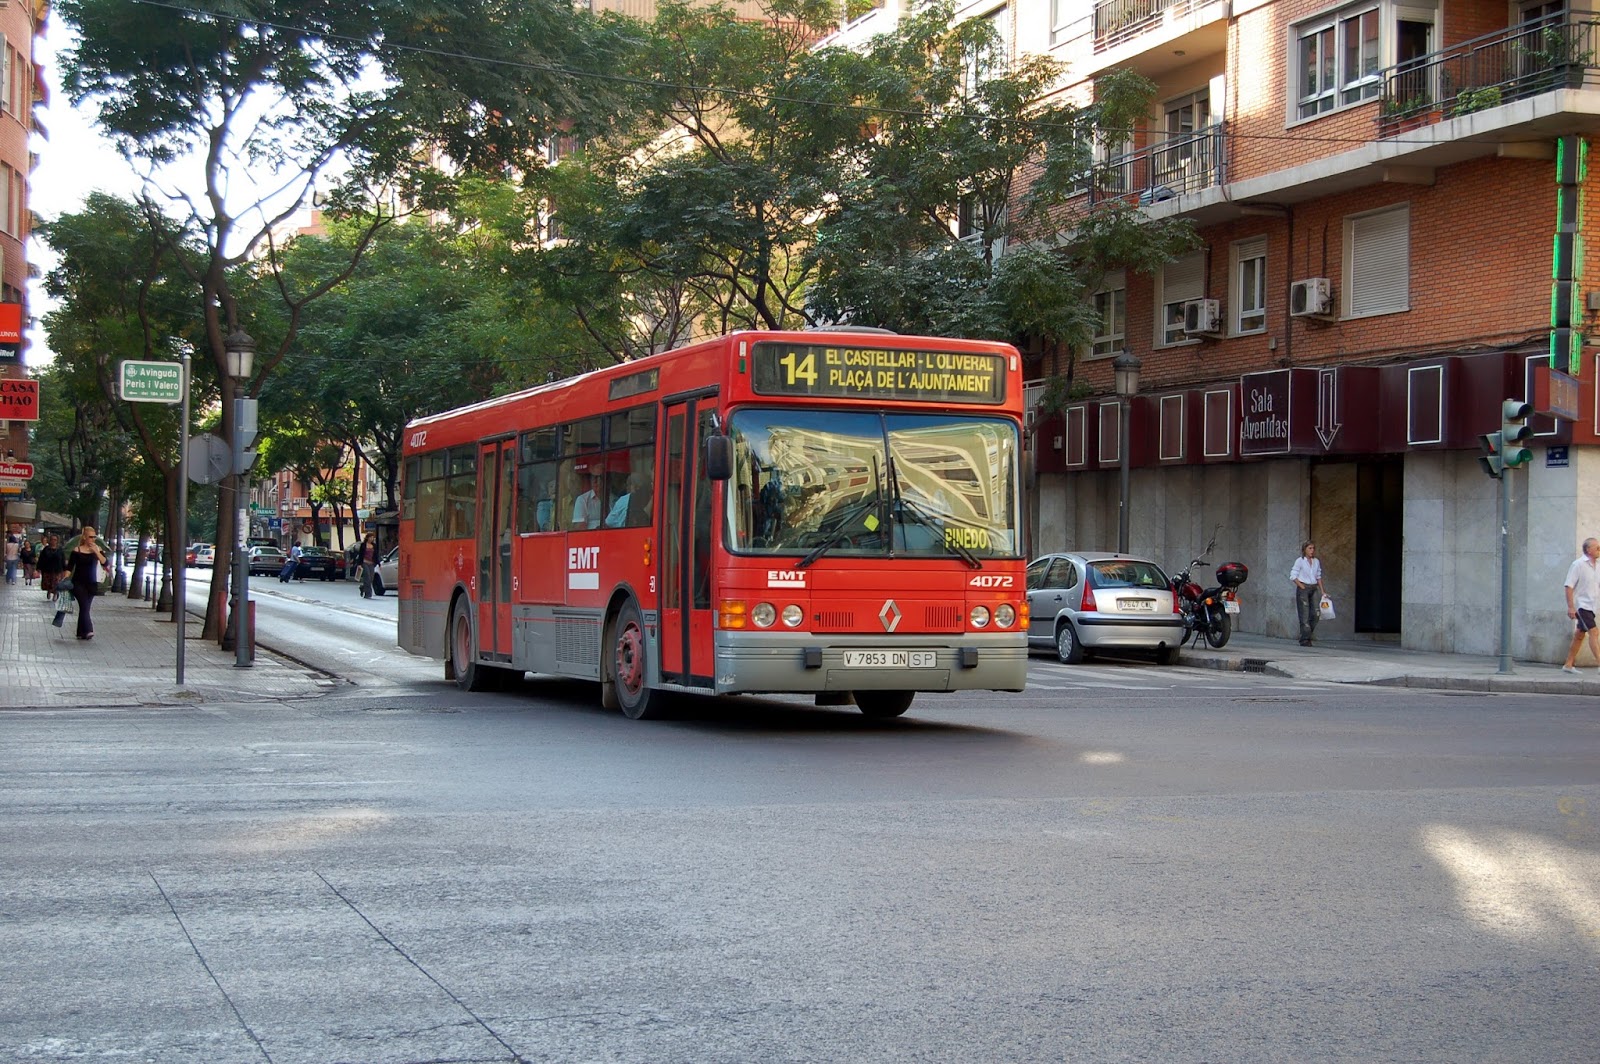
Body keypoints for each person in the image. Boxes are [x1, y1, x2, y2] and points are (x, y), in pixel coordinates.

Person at [1561, 537, 1600, 673]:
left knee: (1579, 635)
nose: (1599, 550)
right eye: (1597, 547)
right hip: (1581, 606)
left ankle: (1568, 664)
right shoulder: (1578, 564)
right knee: (1594, 632)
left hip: (1592, 605)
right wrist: (1571, 607)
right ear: (1588, 550)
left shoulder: (1598, 566)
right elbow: (1568, 586)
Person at [65, 526, 108, 640]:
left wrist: (96, 552)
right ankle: (89, 630)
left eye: (94, 537)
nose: (93, 539)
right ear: (84, 537)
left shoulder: (97, 549)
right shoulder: (77, 550)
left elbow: (105, 563)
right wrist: (64, 579)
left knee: (85, 608)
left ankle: (81, 632)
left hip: (92, 583)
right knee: (84, 605)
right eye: (90, 537)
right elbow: (70, 567)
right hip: (78, 583)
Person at [1290, 540, 1326, 647]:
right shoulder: (1300, 561)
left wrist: (1322, 591)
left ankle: (1307, 634)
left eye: (1313, 548)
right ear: (1304, 550)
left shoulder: (1316, 561)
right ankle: (1305, 639)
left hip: (1313, 587)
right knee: (1304, 614)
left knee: (1316, 614)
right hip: (1304, 587)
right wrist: (1301, 586)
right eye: (1310, 548)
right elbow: (1293, 575)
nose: (1312, 551)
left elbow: (1318, 576)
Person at [357, 531, 379, 599]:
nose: (372, 538)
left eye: (373, 537)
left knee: (371, 578)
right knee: (367, 577)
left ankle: (363, 587)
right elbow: (360, 555)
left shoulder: (374, 545)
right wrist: (359, 564)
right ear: (367, 538)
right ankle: (368, 594)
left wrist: (378, 563)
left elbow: (376, 555)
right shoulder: (363, 545)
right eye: (371, 537)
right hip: (364, 562)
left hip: (371, 563)